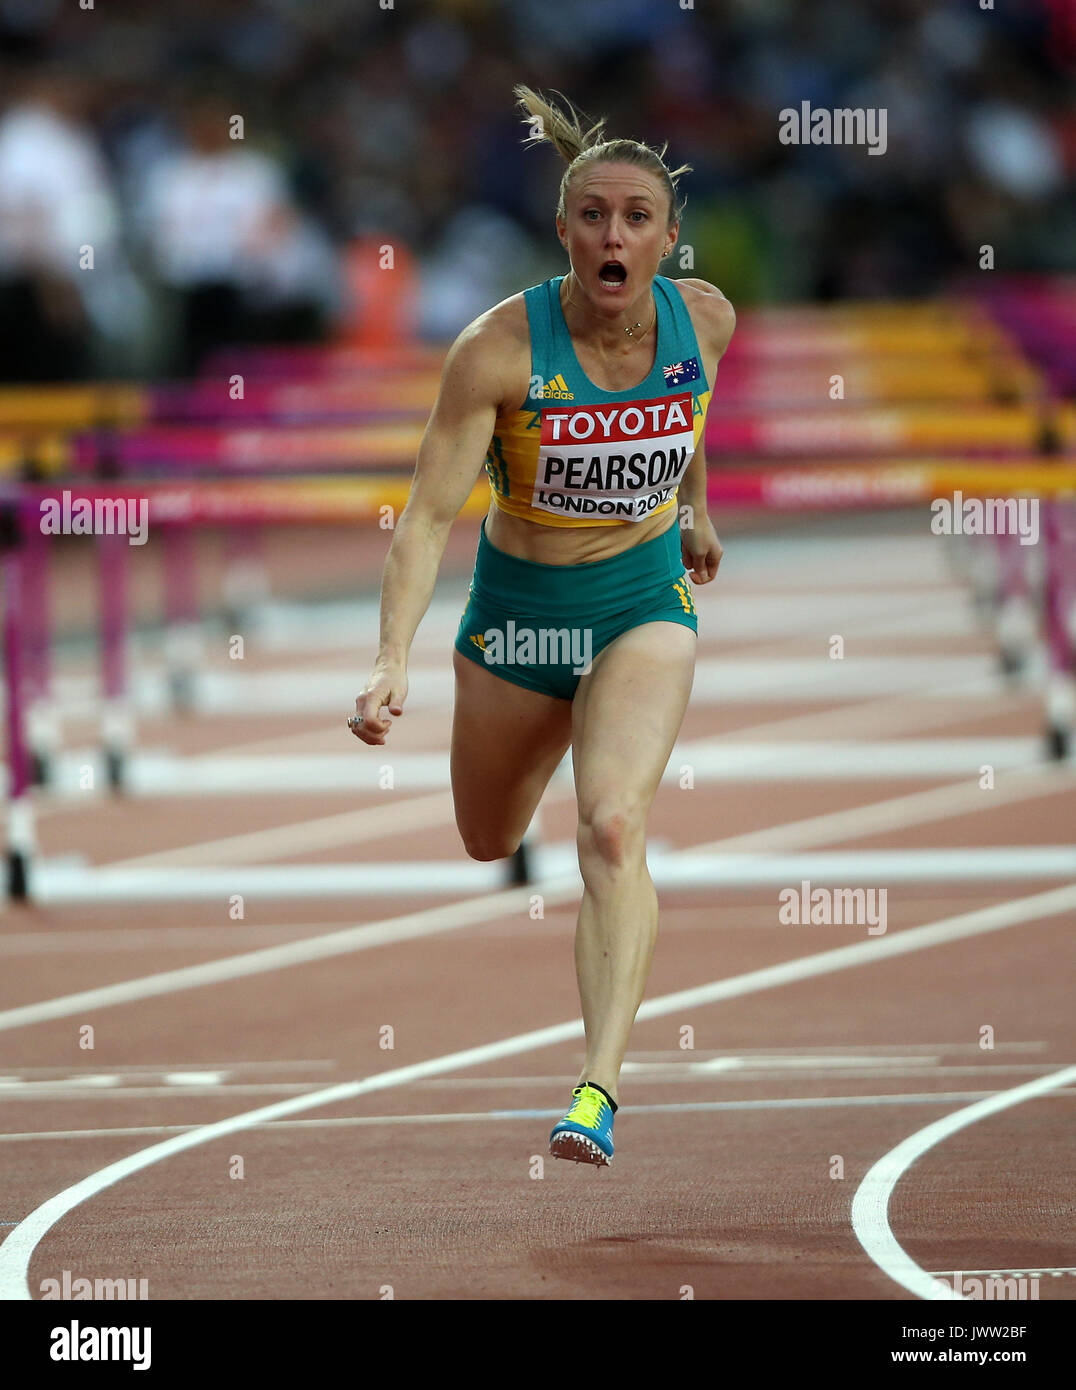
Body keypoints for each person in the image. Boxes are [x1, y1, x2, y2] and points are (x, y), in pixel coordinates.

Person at [350, 86, 736, 1166]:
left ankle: (595, 1090)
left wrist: (694, 508)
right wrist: (392, 657)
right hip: (521, 622)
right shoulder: (495, 350)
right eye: (592, 216)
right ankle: (549, 724)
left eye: (634, 218)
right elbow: (426, 516)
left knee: (613, 824)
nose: (612, 236)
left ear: (666, 236)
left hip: (639, 602)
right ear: (563, 228)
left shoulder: (702, 316)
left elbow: (688, 401)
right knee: (488, 836)